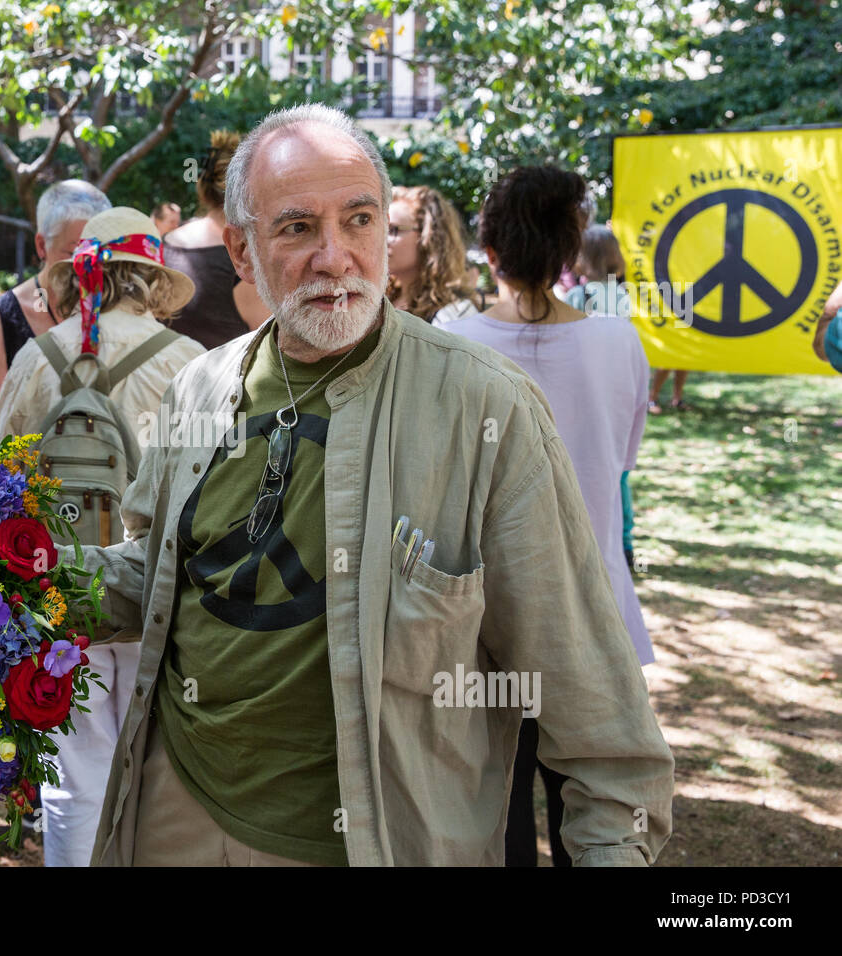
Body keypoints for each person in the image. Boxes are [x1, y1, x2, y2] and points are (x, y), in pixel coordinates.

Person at [71, 104, 673, 867]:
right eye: (296, 229)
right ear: (243, 250)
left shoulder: (483, 404)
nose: (336, 257)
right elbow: (150, 575)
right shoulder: (198, 389)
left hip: (378, 843)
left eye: (359, 220)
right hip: (174, 814)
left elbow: (588, 693)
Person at [446, 165, 655, 867]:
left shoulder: (449, 343)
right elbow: (619, 466)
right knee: (593, 816)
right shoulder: (620, 343)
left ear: (491, 249)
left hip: (482, 626)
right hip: (594, 615)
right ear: (571, 251)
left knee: (492, 813)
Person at [0, 207, 205, 867]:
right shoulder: (193, 363)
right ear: (149, 277)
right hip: (159, 595)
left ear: (81, 277)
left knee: (75, 781)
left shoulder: (37, 358)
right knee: (166, 777)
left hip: (59, 593)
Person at [0, 180, 111, 446]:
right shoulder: (1, 320)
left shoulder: (118, 311)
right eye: (74, 252)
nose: (87, 265)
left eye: (100, 254)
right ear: (41, 246)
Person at [561, 224, 638, 569]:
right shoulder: (622, 296)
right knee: (619, 470)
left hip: (586, 391)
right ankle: (625, 540)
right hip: (617, 389)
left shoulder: (579, 297)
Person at [162, 130, 270, 349]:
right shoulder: (247, 260)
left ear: (203, 189)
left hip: (161, 378)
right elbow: (268, 346)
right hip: (223, 382)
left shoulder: (164, 244)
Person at [384, 184, 480, 325]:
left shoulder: (454, 315)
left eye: (393, 230)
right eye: (381, 229)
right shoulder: (384, 299)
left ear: (428, 238)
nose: (382, 239)